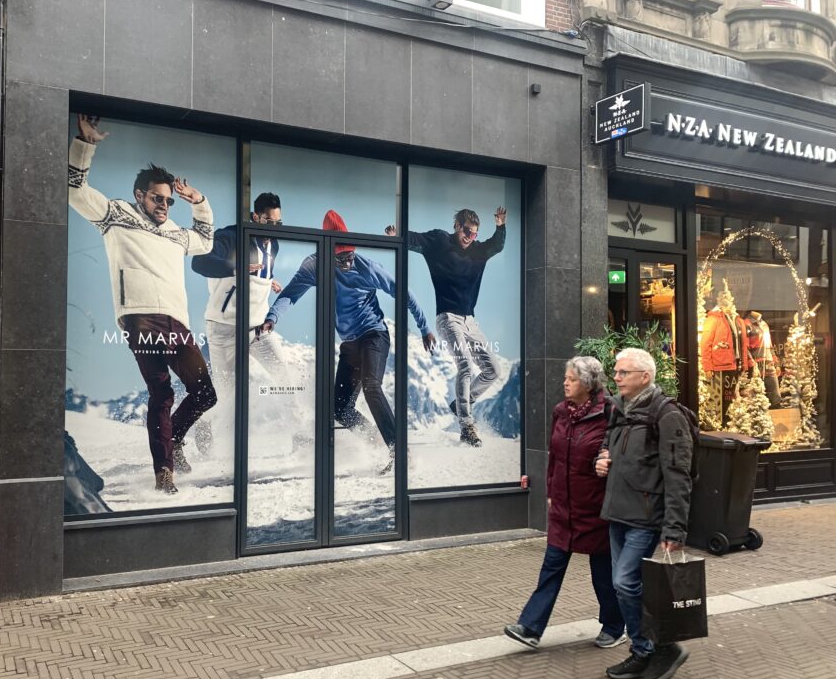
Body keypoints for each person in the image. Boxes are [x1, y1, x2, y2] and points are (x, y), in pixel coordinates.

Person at [68, 114, 217, 495]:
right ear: (140, 195)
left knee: (204, 393)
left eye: (168, 199)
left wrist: (198, 201)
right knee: (162, 393)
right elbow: (74, 189)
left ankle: (176, 441)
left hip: (176, 321)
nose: (164, 204)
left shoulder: (176, 233)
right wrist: (85, 145)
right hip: (140, 318)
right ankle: (164, 471)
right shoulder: (116, 214)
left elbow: (206, 239)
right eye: (157, 197)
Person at [259, 210, 436, 473]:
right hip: (350, 344)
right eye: (341, 259)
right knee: (339, 408)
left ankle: (399, 450)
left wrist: (424, 328)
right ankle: (375, 440)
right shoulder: (315, 265)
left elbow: (405, 293)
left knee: (371, 386)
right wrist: (273, 317)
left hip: (374, 335)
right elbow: (291, 293)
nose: (347, 264)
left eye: (350, 256)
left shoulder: (368, 268)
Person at [504, 356, 625, 650]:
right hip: (563, 505)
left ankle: (614, 625)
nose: (565, 383)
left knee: (603, 574)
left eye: (571, 379)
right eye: (566, 378)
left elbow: (621, 454)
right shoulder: (561, 411)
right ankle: (531, 627)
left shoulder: (610, 412)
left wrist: (608, 462)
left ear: (587, 383)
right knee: (551, 567)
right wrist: (549, 490)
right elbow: (554, 456)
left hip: (595, 506)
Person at [595, 347, 693, 679]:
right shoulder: (619, 409)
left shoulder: (667, 416)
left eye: (623, 373)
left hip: (647, 517)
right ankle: (646, 649)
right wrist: (602, 459)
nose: (616, 378)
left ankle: (658, 646)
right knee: (625, 585)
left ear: (645, 377)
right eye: (616, 372)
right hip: (618, 512)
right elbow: (608, 445)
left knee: (625, 582)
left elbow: (679, 474)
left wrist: (675, 529)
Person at [389, 207, 507, 448]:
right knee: (464, 364)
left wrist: (500, 227)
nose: (469, 237)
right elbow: (415, 240)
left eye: (474, 234)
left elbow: (497, 245)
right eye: (466, 231)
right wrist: (397, 234)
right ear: (457, 226)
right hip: (447, 318)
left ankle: (460, 403)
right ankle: (467, 427)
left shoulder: (478, 251)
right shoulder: (439, 241)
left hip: (470, 320)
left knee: (492, 370)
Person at [191, 192, 285, 392]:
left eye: (278, 224)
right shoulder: (232, 237)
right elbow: (199, 262)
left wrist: (268, 280)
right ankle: (208, 423)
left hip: (258, 330)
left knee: (288, 379)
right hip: (225, 329)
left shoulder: (273, 245)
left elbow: (256, 270)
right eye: (268, 222)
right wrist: (236, 268)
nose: (273, 229)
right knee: (228, 396)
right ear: (255, 217)